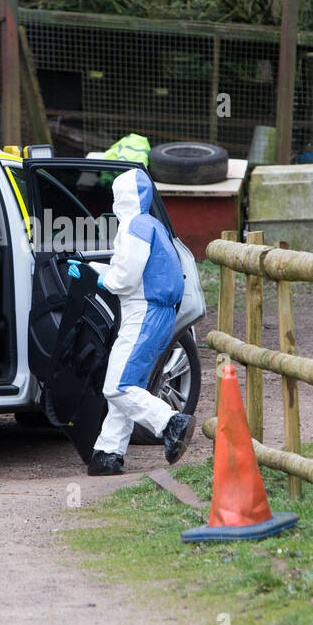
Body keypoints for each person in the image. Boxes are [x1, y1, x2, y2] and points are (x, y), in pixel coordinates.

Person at [69, 168, 191, 476]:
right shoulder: (154, 225)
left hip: (143, 314)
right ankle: (108, 454)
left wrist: (99, 278)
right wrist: (94, 268)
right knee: (130, 383)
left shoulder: (133, 226)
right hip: (160, 314)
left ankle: (170, 422)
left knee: (117, 387)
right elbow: (136, 268)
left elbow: (124, 278)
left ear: (121, 197)